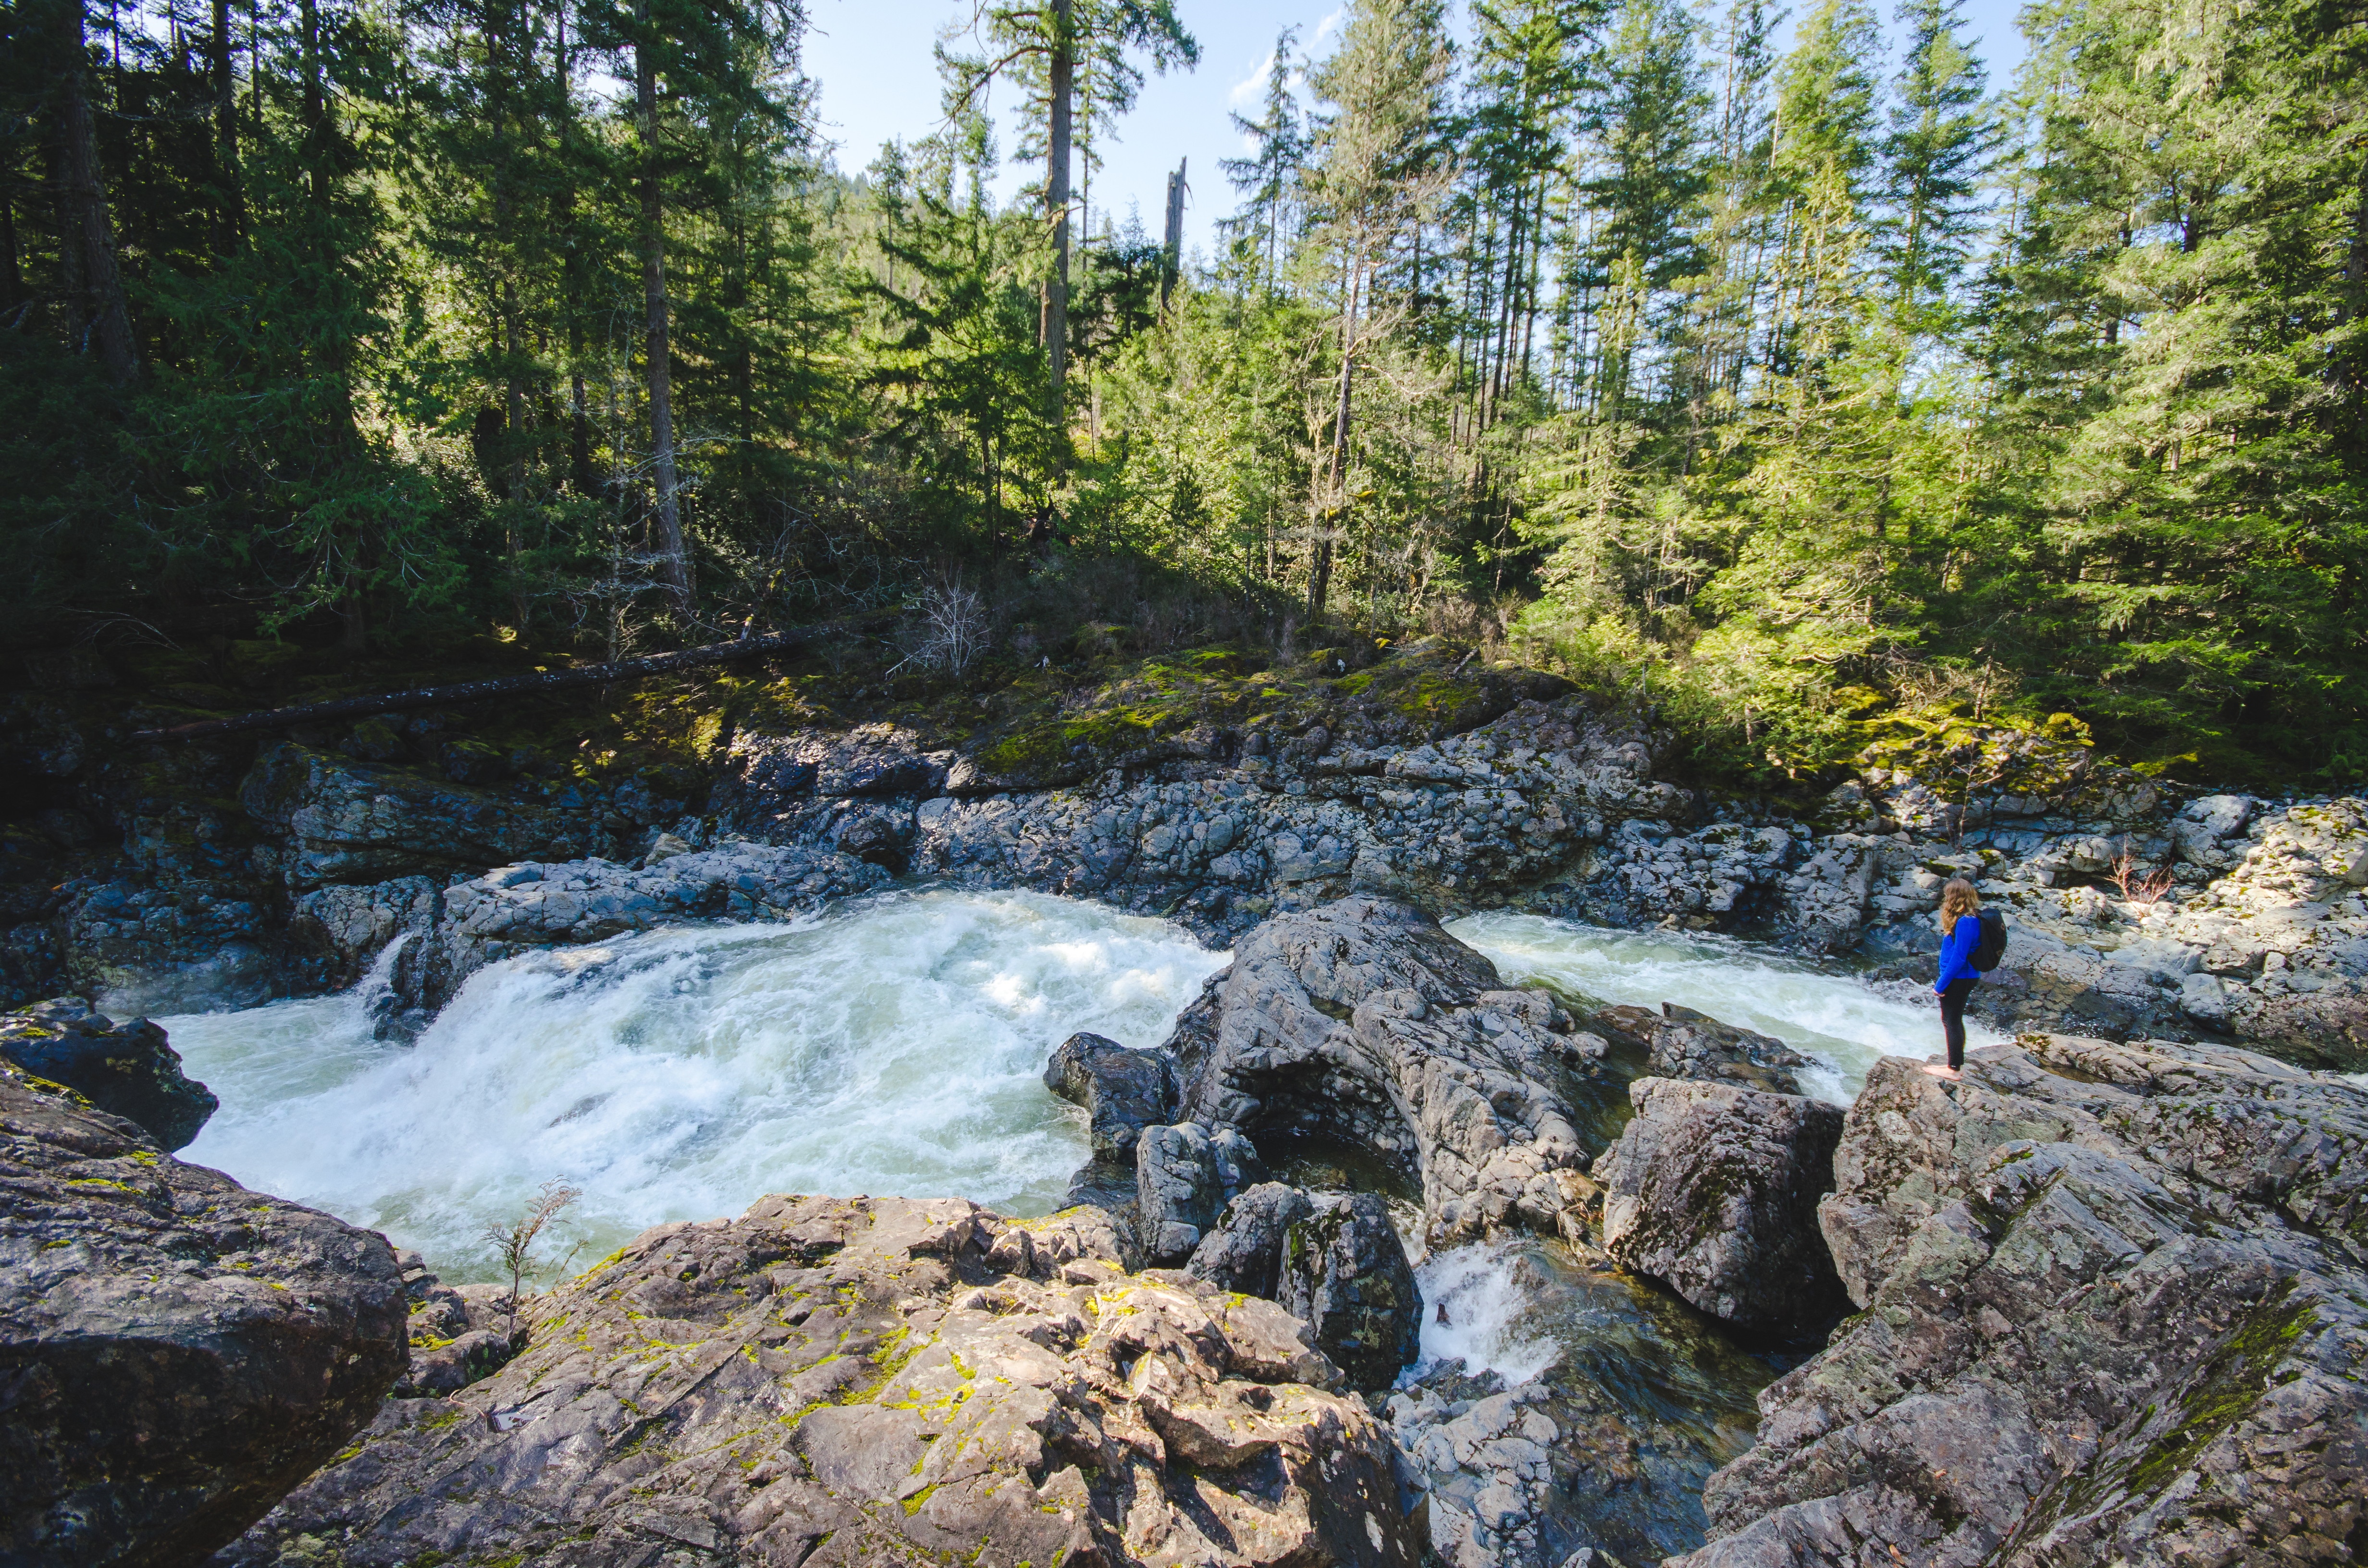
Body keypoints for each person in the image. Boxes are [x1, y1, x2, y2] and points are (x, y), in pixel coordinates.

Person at [1927, 878, 1983, 1079]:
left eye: (1947, 895)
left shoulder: (1967, 921)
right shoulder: (1966, 918)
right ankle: (1955, 1064)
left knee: (1951, 1021)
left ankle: (1954, 1069)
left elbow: (1960, 957)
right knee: (1953, 1020)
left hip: (1960, 977)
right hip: (1962, 976)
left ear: (1954, 897)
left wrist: (1941, 984)